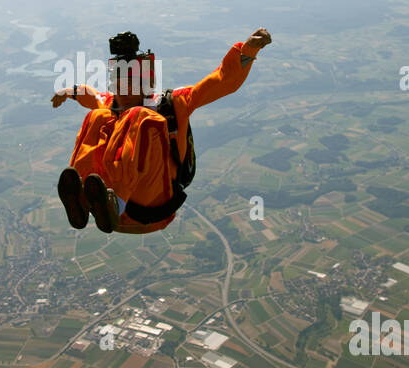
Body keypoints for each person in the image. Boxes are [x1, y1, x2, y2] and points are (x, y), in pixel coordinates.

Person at [51, 28, 271, 234]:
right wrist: (67, 91)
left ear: (146, 82)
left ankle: (114, 202)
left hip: (152, 203)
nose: (124, 90)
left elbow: (220, 82)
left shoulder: (169, 104)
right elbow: (91, 95)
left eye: (131, 82)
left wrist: (248, 50)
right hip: (113, 214)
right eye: (118, 83)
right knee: (97, 116)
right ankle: (80, 197)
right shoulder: (110, 105)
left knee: (139, 116)